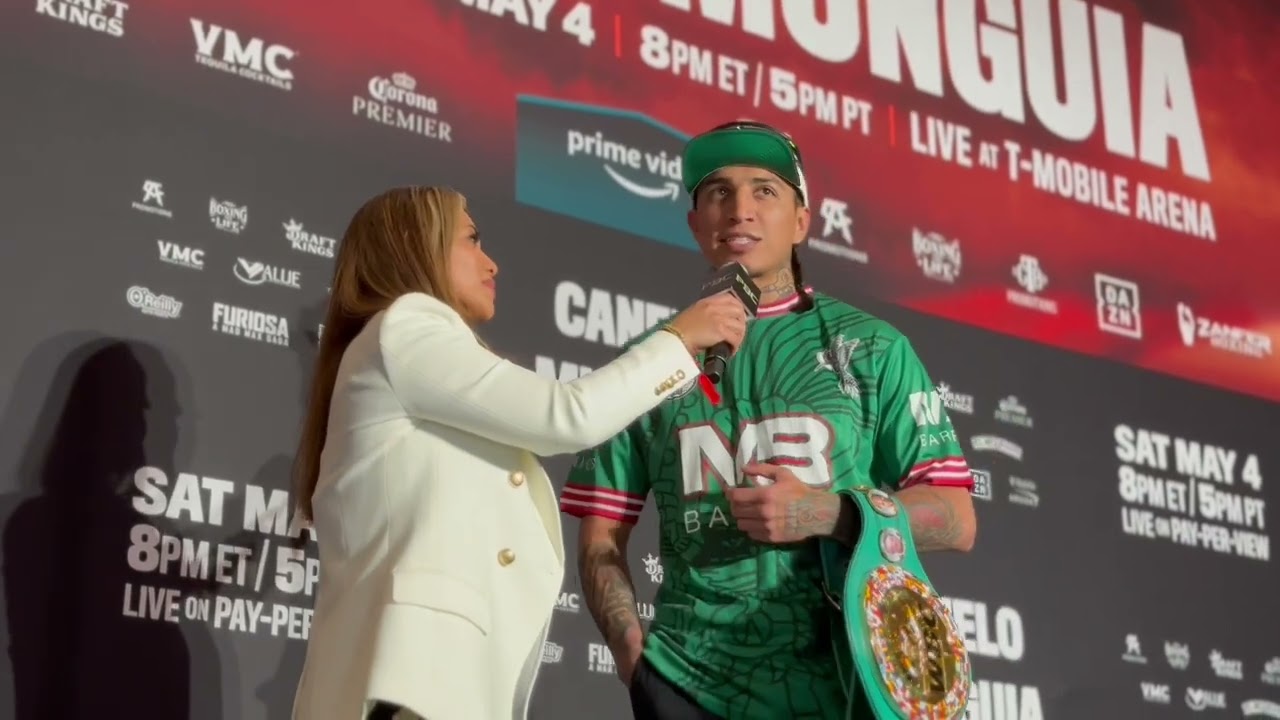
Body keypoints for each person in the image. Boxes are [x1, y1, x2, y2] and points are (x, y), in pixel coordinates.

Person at [560, 121, 979, 719]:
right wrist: (634, 658)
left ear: (802, 220)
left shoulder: (874, 346)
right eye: (718, 192)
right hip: (687, 686)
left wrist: (828, 512)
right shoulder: (648, 363)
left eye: (764, 190)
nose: (740, 210)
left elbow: (956, 518)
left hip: (848, 681)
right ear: (695, 224)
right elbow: (602, 534)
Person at [287, 185, 749, 720]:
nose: (492, 263)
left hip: (432, 685)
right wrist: (678, 338)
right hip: (413, 684)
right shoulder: (407, 324)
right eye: (471, 239)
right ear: (417, 244)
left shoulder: (393, 346)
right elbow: (568, 415)